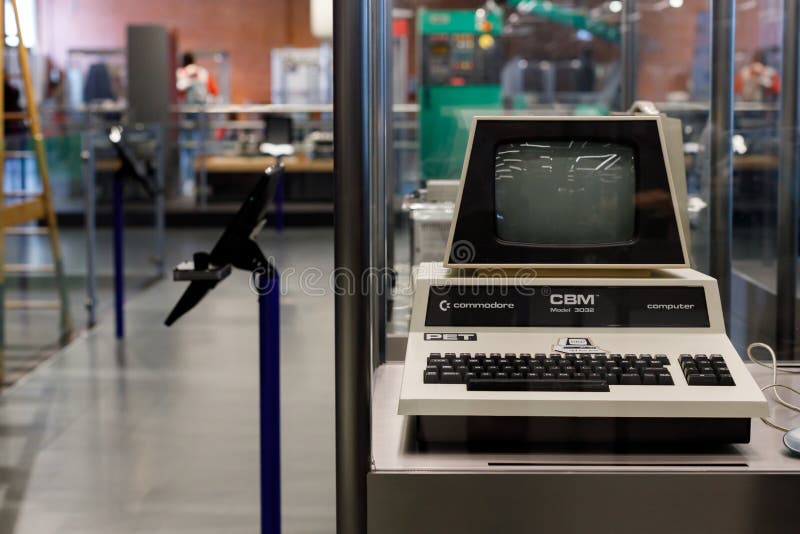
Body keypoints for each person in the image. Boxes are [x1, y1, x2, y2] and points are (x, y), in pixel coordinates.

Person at [176, 53, 219, 196]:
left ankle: (187, 183)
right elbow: (214, 93)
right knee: (200, 149)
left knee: (185, 151)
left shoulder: (181, 73)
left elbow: (177, 93)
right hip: (201, 117)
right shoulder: (203, 72)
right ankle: (201, 182)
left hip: (185, 118)